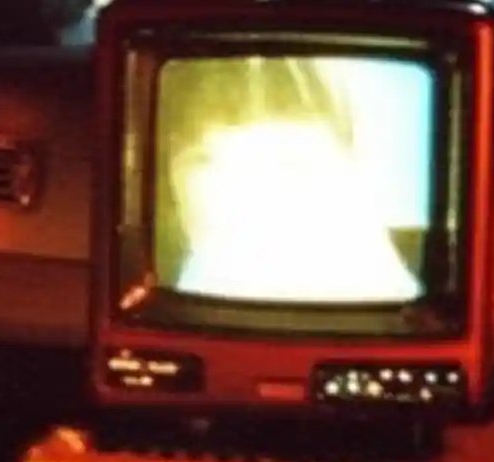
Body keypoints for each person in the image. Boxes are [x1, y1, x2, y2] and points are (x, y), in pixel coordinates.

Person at [153, 56, 426, 304]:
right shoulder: (168, 279)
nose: (243, 196)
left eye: (286, 161)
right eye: (205, 161)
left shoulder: (371, 277)